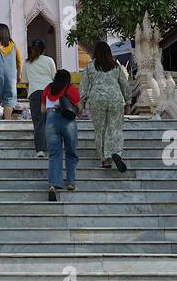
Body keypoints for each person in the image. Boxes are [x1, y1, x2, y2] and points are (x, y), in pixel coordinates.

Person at [81, 39, 129, 172]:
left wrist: (83, 101)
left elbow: (83, 87)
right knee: (115, 128)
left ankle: (105, 160)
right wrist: (128, 101)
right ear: (109, 52)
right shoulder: (116, 66)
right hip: (115, 98)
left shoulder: (90, 67)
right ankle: (116, 152)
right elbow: (124, 85)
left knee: (100, 130)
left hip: (97, 99)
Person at [43, 69, 81, 202]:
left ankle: (54, 184)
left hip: (51, 120)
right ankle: (70, 182)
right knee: (71, 152)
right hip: (68, 121)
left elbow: (43, 109)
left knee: (54, 153)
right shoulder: (71, 89)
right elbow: (79, 107)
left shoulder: (48, 88)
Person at [23, 39, 57, 158]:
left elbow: (26, 82)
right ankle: (51, 147)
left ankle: (40, 150)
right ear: (44, 49)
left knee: (38, 122)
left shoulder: (27, 63)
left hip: (35, 93)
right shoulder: (49, 60)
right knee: (49, 121)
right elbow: (54, 77)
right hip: (49, 93)